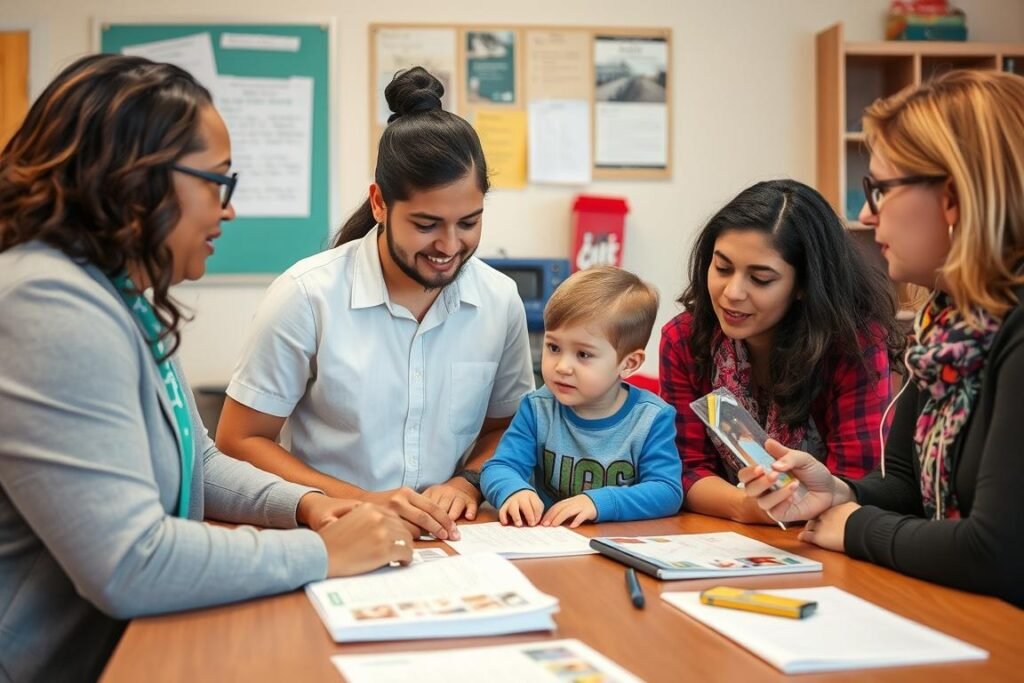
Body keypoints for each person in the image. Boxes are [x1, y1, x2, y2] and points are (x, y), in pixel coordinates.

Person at [0, 54, 415, 681]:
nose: (229, 210)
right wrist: (319, 552)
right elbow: (129, 563)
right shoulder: (47, 304)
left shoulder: (117, 293)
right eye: (217, 181)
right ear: (138, 177)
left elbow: (202, 463)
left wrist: (305, 505)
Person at [740, 70, 1024, 608]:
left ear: (955, 197)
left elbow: (1001, 551)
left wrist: (854, 527)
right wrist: (838, 492)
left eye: (880, 190)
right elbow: (908, 488)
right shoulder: (947, 328)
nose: (867, 214)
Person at [215, 66, 534, 537]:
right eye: (426, 225)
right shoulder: (306, 296)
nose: (449, 245)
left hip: (455, 542)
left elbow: (506, 428)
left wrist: (466, 482)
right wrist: (361, 501)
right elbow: (239, 442)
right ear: (380, 204)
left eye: (468, 222)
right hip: (327, 535)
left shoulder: (499, 299)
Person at [660, 179, 903, 524]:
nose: (732, 292)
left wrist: (775, 506)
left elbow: (859, 482)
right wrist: (747, 507)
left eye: (760, 279)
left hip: (826, 538)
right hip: (727, 537)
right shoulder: (685, 338)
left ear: (804, 284)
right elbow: (684, 469)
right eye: (723, 267)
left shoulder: (854, 346)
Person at [481, 266, 683, 527]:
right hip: (550, 543)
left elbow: (667, 491)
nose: (562, 366)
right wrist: (514, 490)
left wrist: (597, 503)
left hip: (615, 543)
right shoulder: (537, 408)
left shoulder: (652, 418)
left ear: (629, 363)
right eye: (554, 347)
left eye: (583, 354)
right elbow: (498, 467)